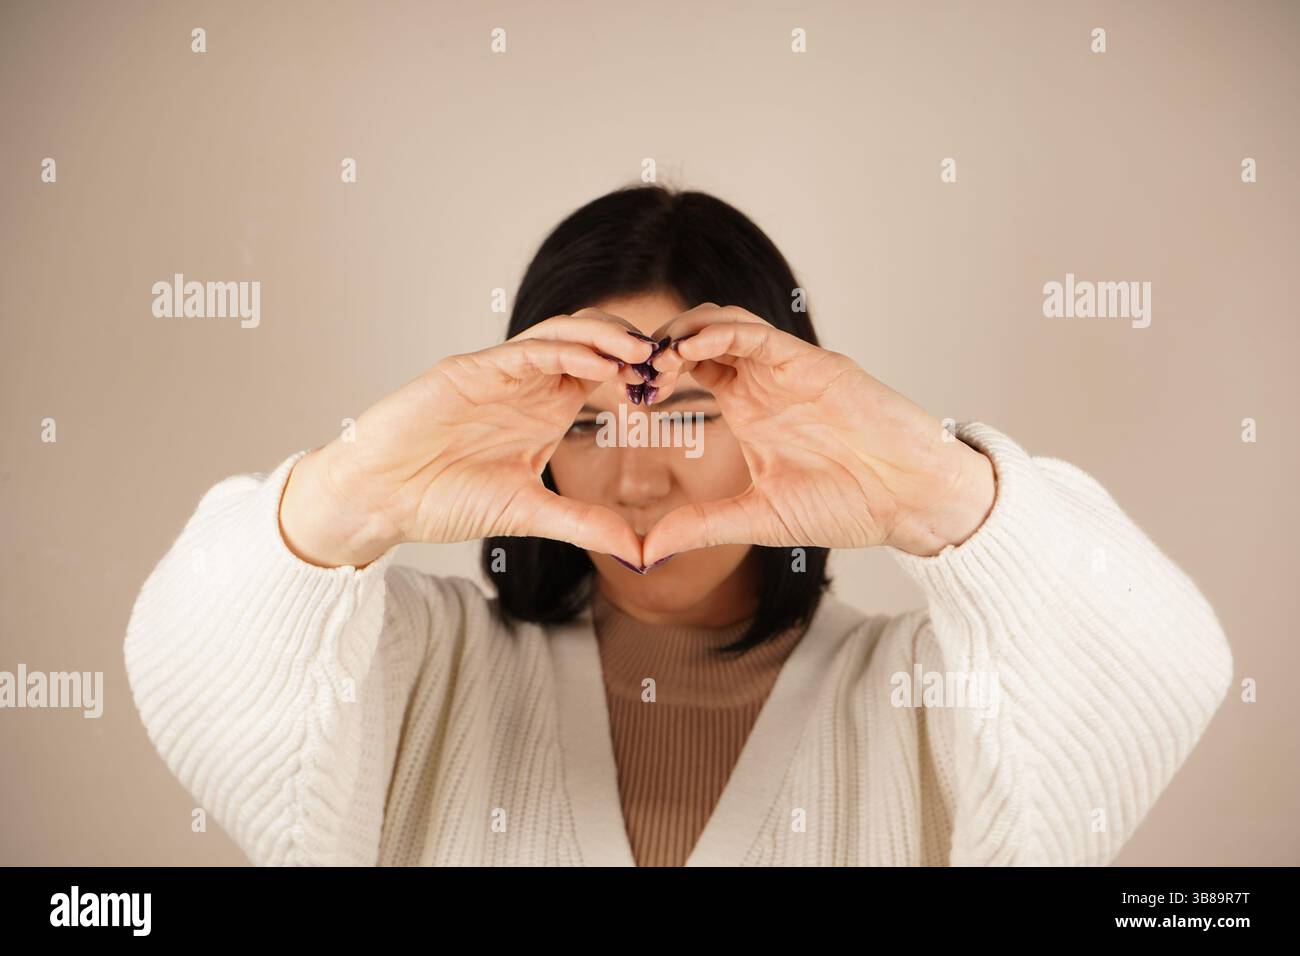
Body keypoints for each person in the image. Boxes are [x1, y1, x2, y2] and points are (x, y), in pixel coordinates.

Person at [123, 184, 1233, 866]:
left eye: (691, 414)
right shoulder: (419, 661)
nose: (638, 479)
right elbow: (189, 666)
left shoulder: (918, 697)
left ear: (781, 424)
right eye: (586, 419)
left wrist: (927, 485)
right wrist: (360, 481)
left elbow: (1163, 673)